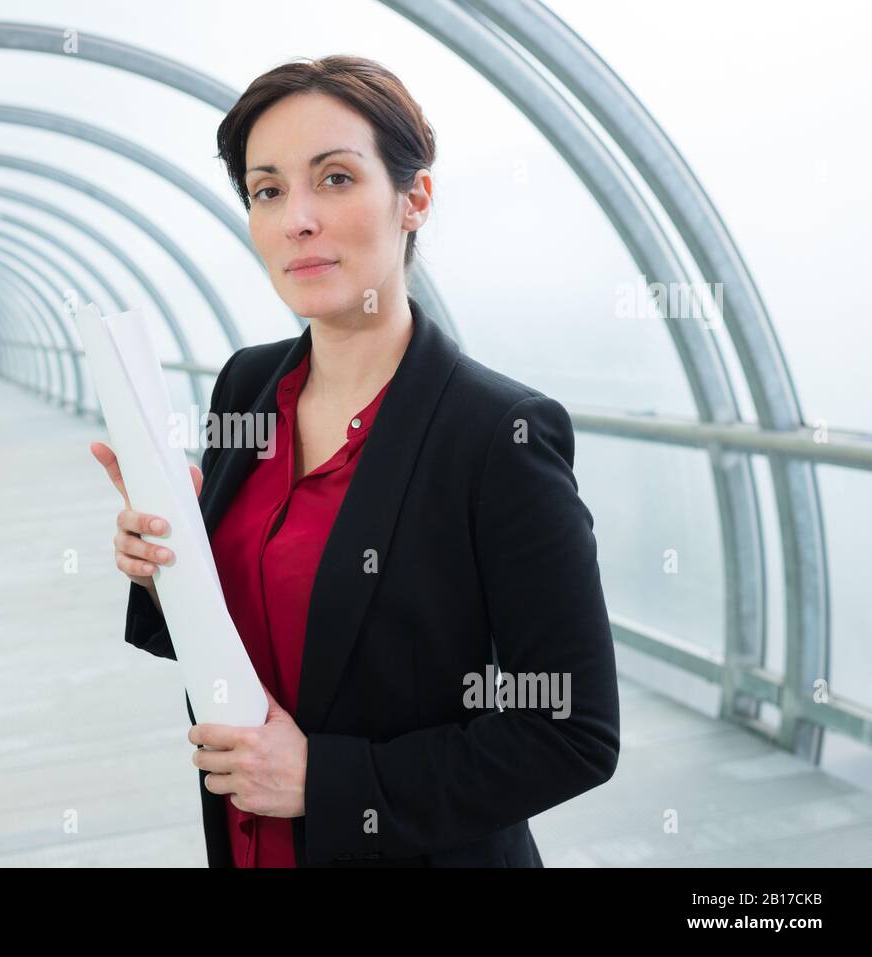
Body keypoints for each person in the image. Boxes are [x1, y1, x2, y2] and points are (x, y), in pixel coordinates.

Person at [90, 54, 620, 867]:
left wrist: (329, 781)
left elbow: (574, 733)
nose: (297, 217)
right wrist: (166, 562)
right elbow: (250, 629)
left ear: (413, 200)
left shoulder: (498, 435)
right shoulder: (246, 385)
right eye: (268, 191)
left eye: (334, 179)